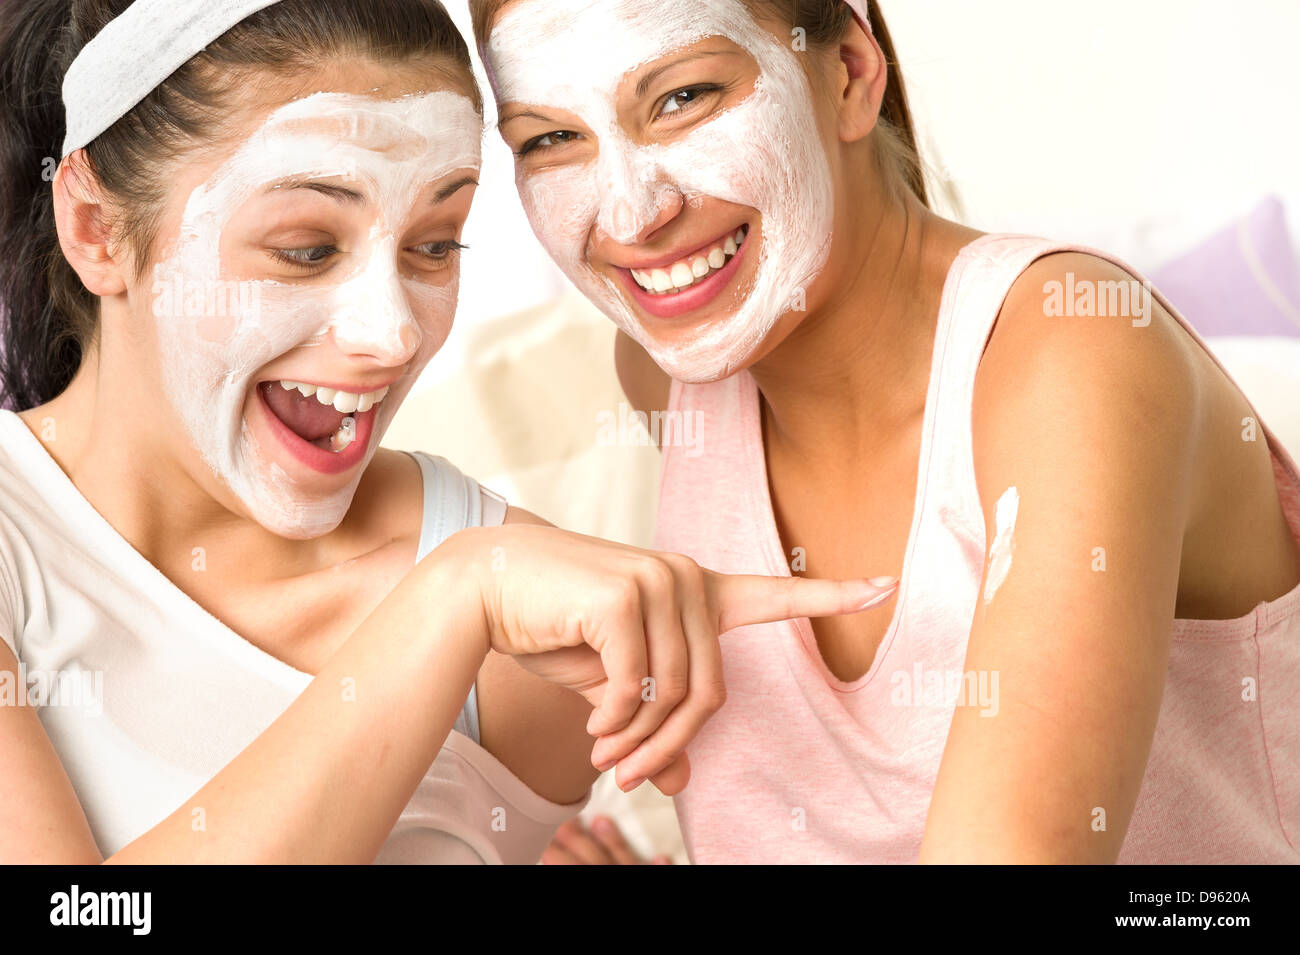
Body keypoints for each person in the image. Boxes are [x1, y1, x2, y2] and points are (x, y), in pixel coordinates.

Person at [0, 0, 893, 864]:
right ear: (94, 227)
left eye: (434, 243)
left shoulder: (534, 630)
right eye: (307, 248)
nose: (393, 334)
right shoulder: (486, 593)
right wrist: (450, 605)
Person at [473, 0, 1300, 862]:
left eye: (683, 97)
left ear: (850, 74)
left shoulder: (1078, 352)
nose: (631, 216)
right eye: (548, 138)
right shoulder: (669, 376)